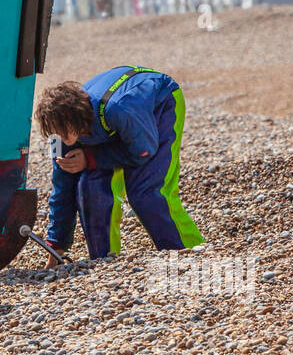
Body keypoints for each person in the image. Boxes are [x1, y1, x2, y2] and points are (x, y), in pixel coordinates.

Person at [35, 67, 205, 262]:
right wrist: (56, 247)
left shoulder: (118, 109)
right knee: (90, 188)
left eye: (65, 133)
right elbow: (61, 186)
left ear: (77, 117)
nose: (62, 141)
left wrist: (90, 159)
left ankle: (190, 253)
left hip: (160, 103)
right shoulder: (59, 137)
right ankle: (105, 260)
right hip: (116, 123)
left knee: (146, 193)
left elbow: (144, 152)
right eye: (56, 134)